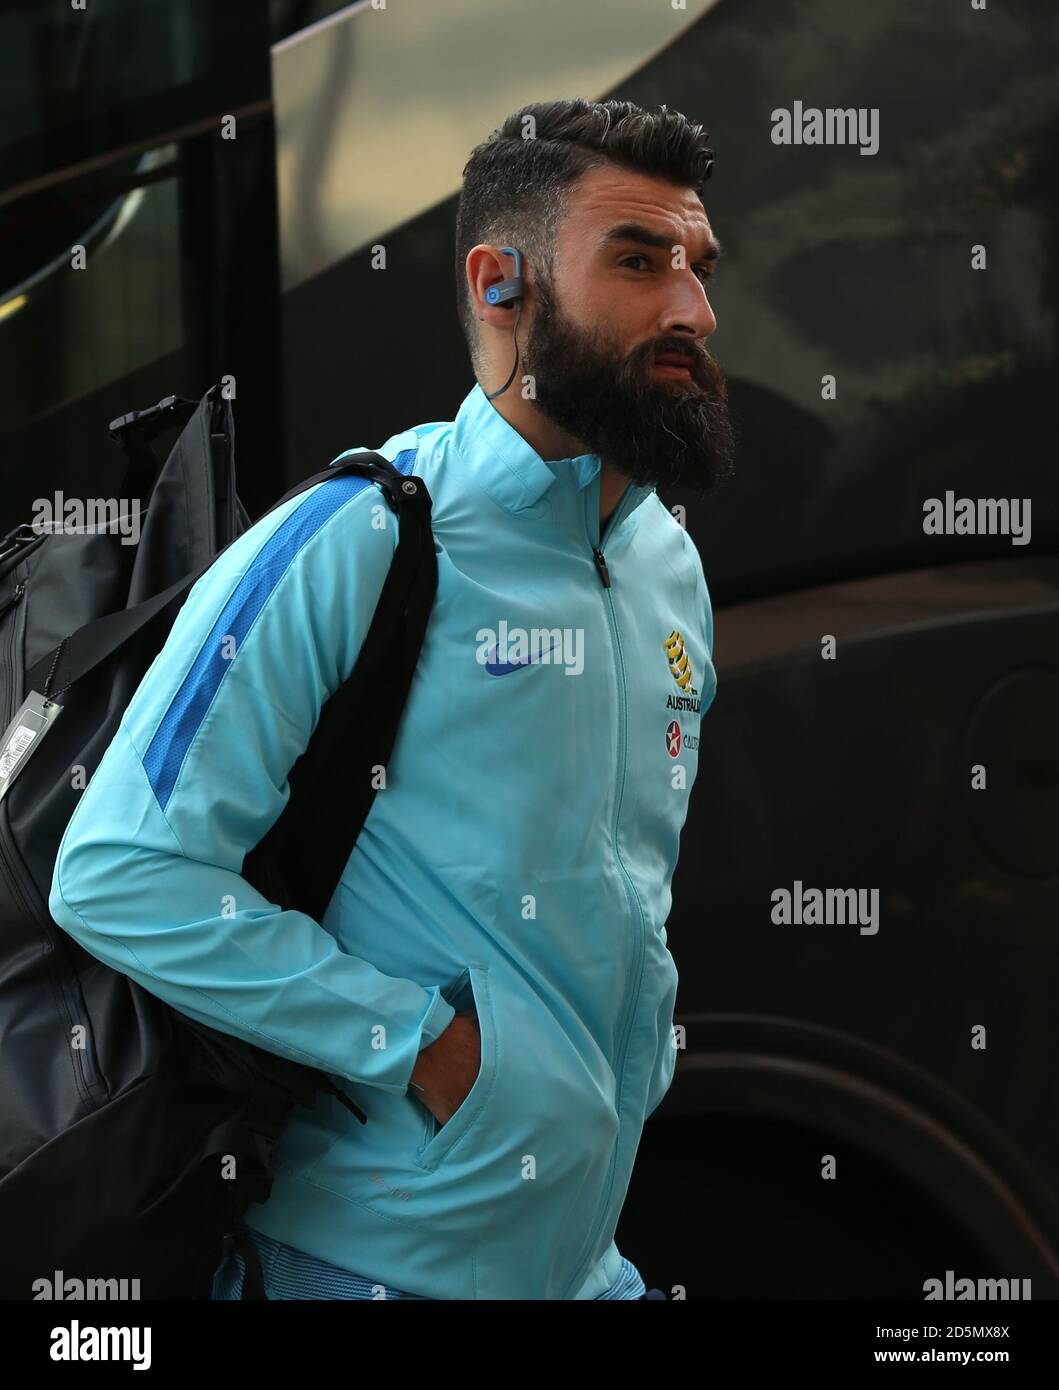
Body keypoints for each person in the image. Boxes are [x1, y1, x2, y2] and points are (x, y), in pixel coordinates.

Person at [49, 97, 734, 1300]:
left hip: (585, 1271)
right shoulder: (364, 533)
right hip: (366, 1269)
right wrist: (418, 1045)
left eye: (699, 265)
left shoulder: (669, 566)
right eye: (638, 260)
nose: (693, 308)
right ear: (500, 283)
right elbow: (117, 869)